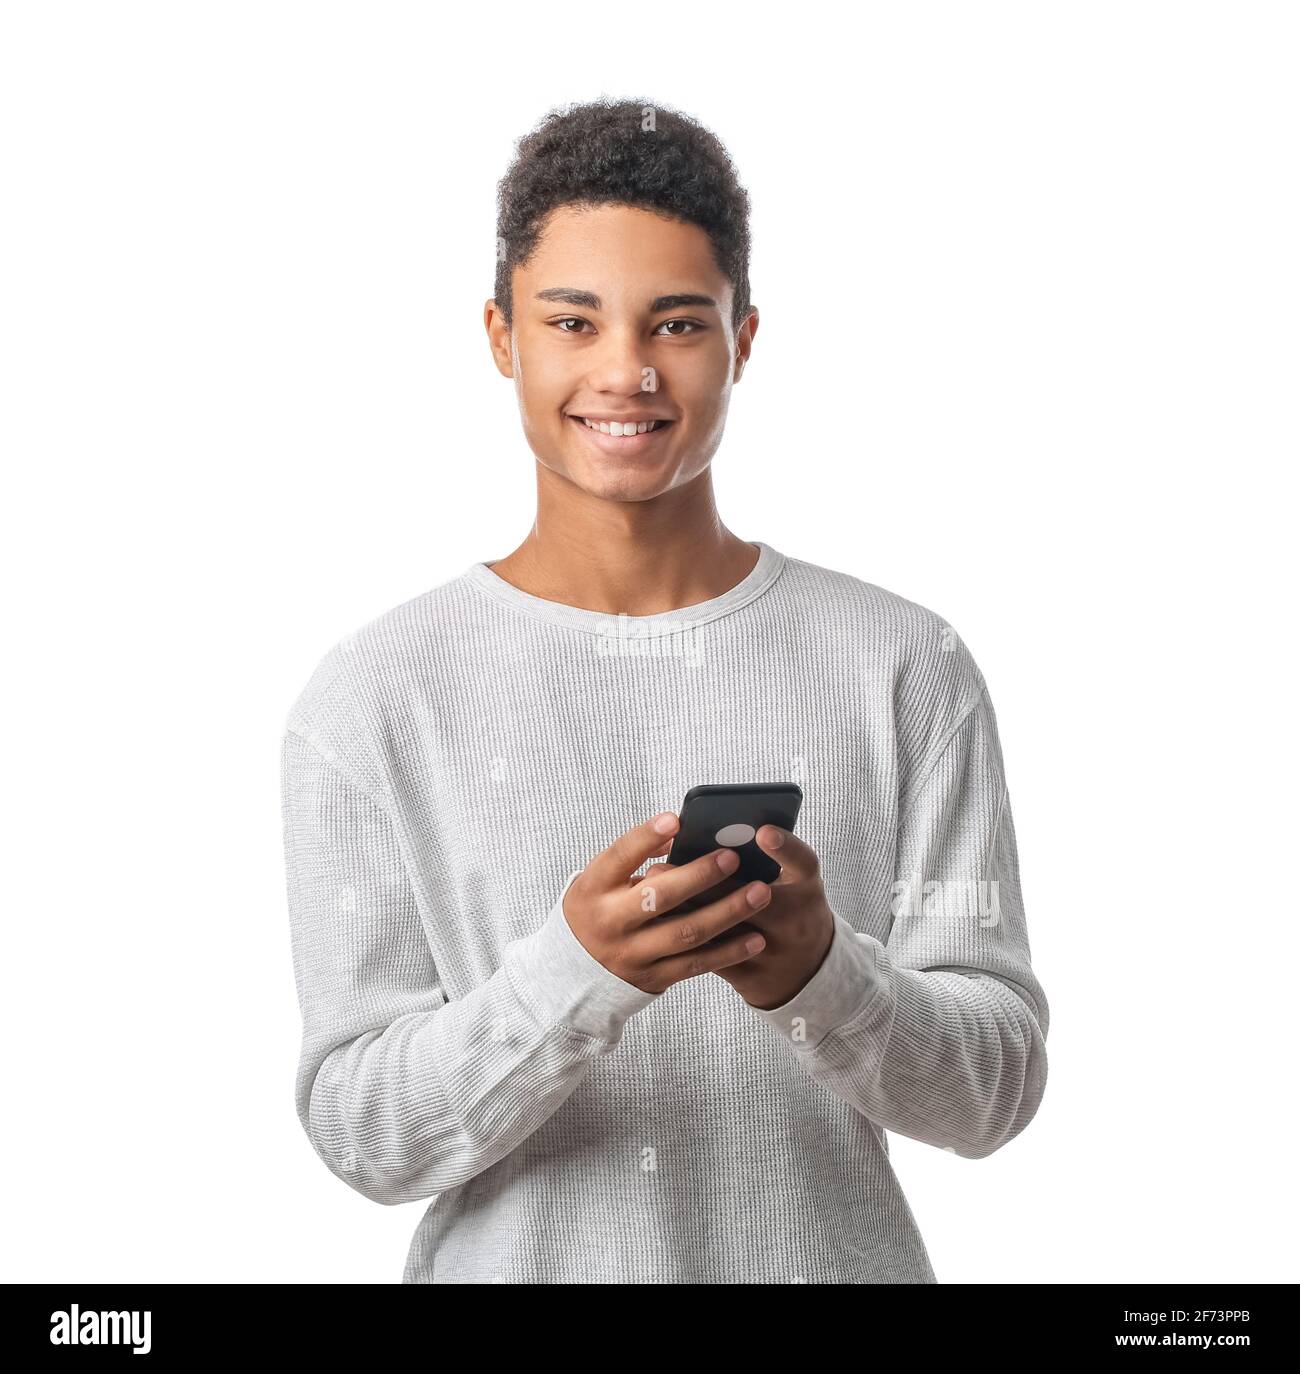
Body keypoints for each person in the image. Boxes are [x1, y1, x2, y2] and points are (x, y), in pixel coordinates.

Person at [279, 97, 1050, 1284]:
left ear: (743, 338)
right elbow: (363, 1134)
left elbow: (994, 1089)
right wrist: (573, 973)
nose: (625, 371)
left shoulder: (905, 663)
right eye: (572, 321)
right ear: (502, 336)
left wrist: (821, 976)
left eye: (676, 323)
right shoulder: (378, 694)